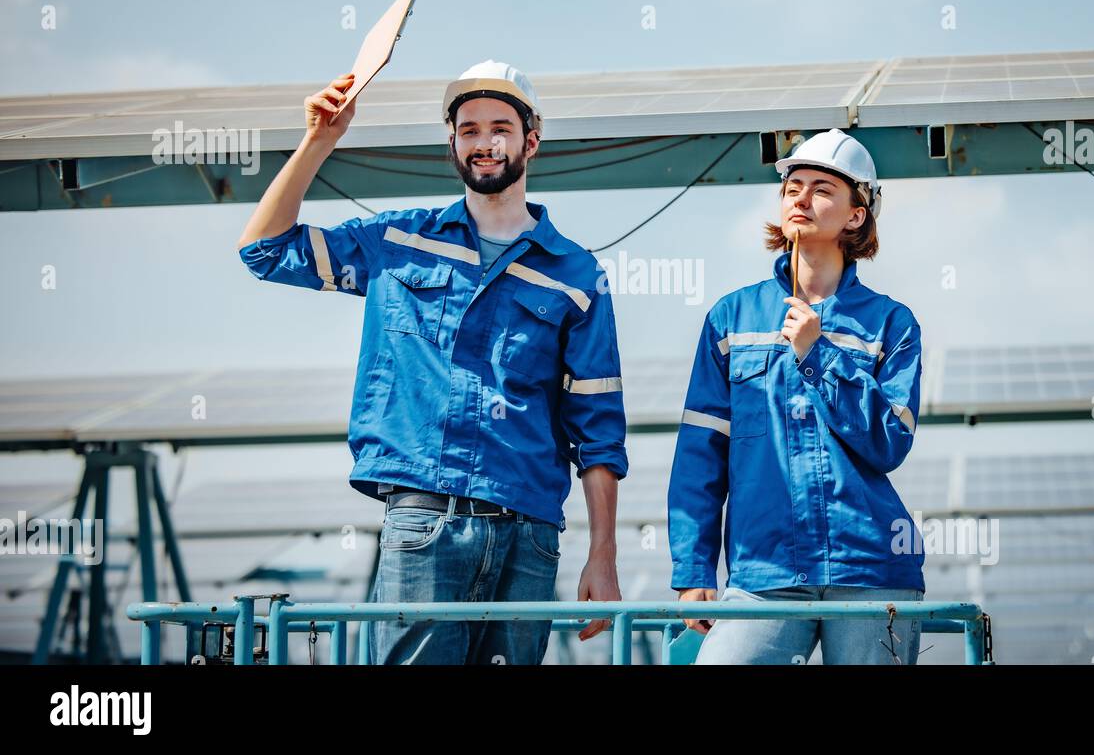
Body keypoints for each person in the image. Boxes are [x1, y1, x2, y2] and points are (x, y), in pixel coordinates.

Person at [237, 60, 628, 664]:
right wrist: (320, 139)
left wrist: (602, 555)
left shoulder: (576, 276)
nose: (484, 142)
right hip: (424, 519)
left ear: (531, 140)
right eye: (468, 129)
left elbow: (598, 429)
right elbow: (264, 250)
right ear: (453, 143)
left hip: (529, 534)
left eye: (500, 127)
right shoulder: (398, 242)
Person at [667, 128, 926, 664]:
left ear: (856, 215)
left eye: (822, 189)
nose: (801, 198)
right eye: (792, 187)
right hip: (764, 570)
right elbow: (700, 451)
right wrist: (693, 570)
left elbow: (890, 442)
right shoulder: (730, 319)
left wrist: (818, 353)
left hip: (870, 570)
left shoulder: (891, 324)